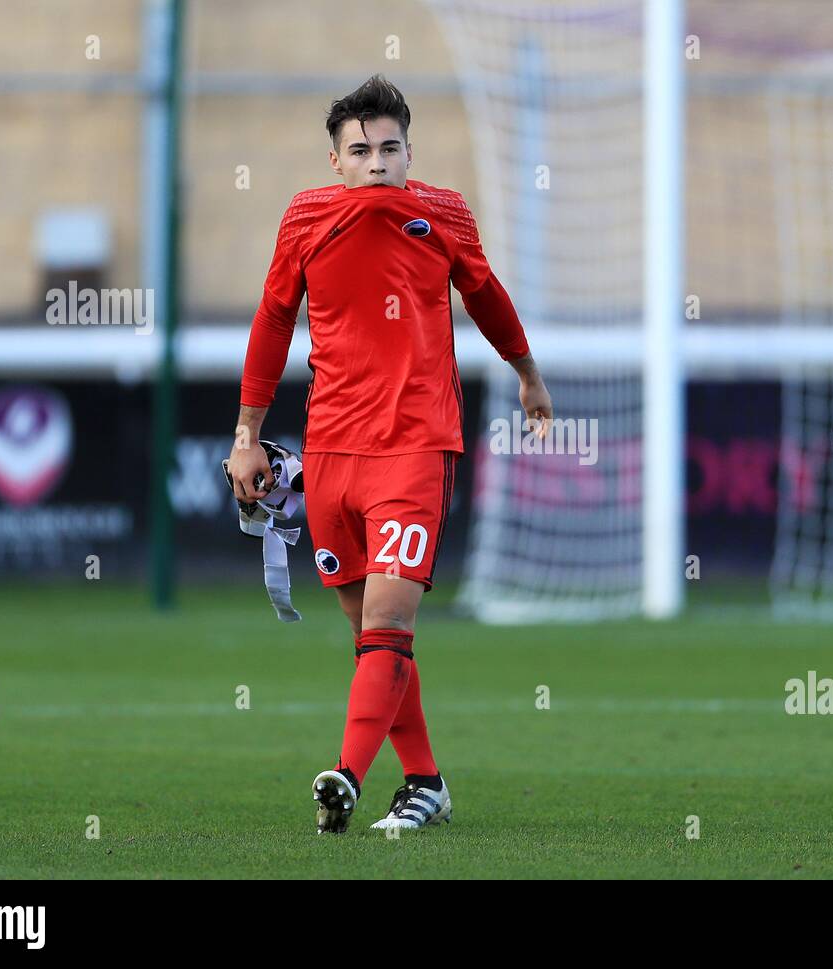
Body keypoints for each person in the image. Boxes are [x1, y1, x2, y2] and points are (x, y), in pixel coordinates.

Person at [227, 74, 553, 834]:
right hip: (332, 453)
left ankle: (345, 774)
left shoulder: (442, 212)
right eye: (360, 150)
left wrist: (528, 374)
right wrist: (247, 437)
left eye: (391, 148)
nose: (377, 162)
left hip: (415, 445)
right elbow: (274, 320)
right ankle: (426, 782)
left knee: (388, 626)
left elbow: (487, 294)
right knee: (367, 632)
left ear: (410, 152)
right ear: (336, 161)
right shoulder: (307, 216)